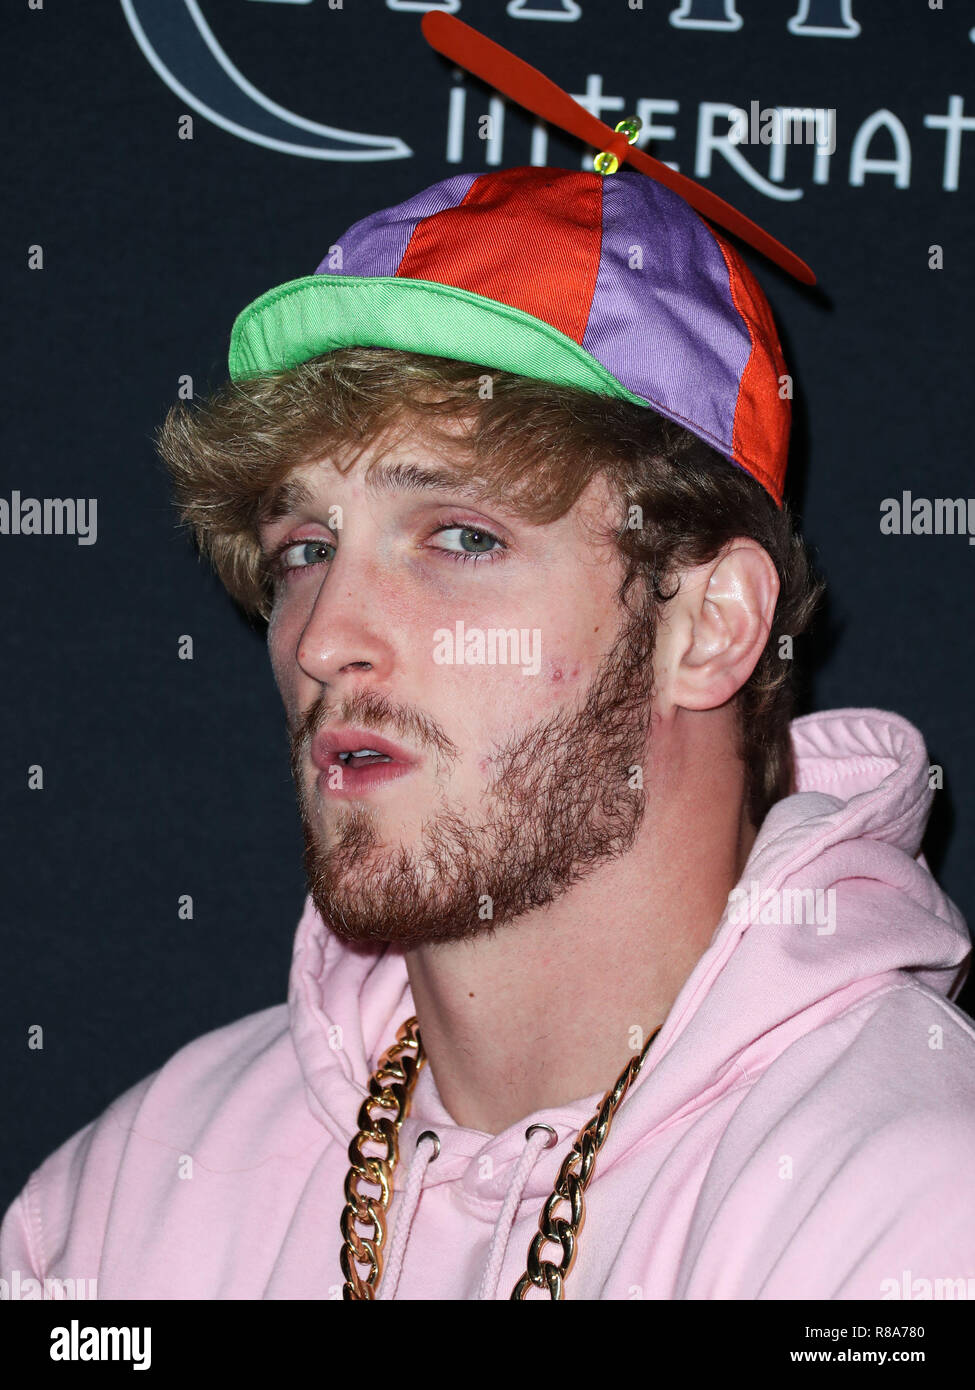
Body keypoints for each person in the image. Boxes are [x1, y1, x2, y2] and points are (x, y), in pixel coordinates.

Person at [3, 159, 974, 1303]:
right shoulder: (139, 1188)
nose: (322, 639)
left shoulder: (909, 1208)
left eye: (460, 537)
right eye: (305, 548)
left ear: (710, 625)